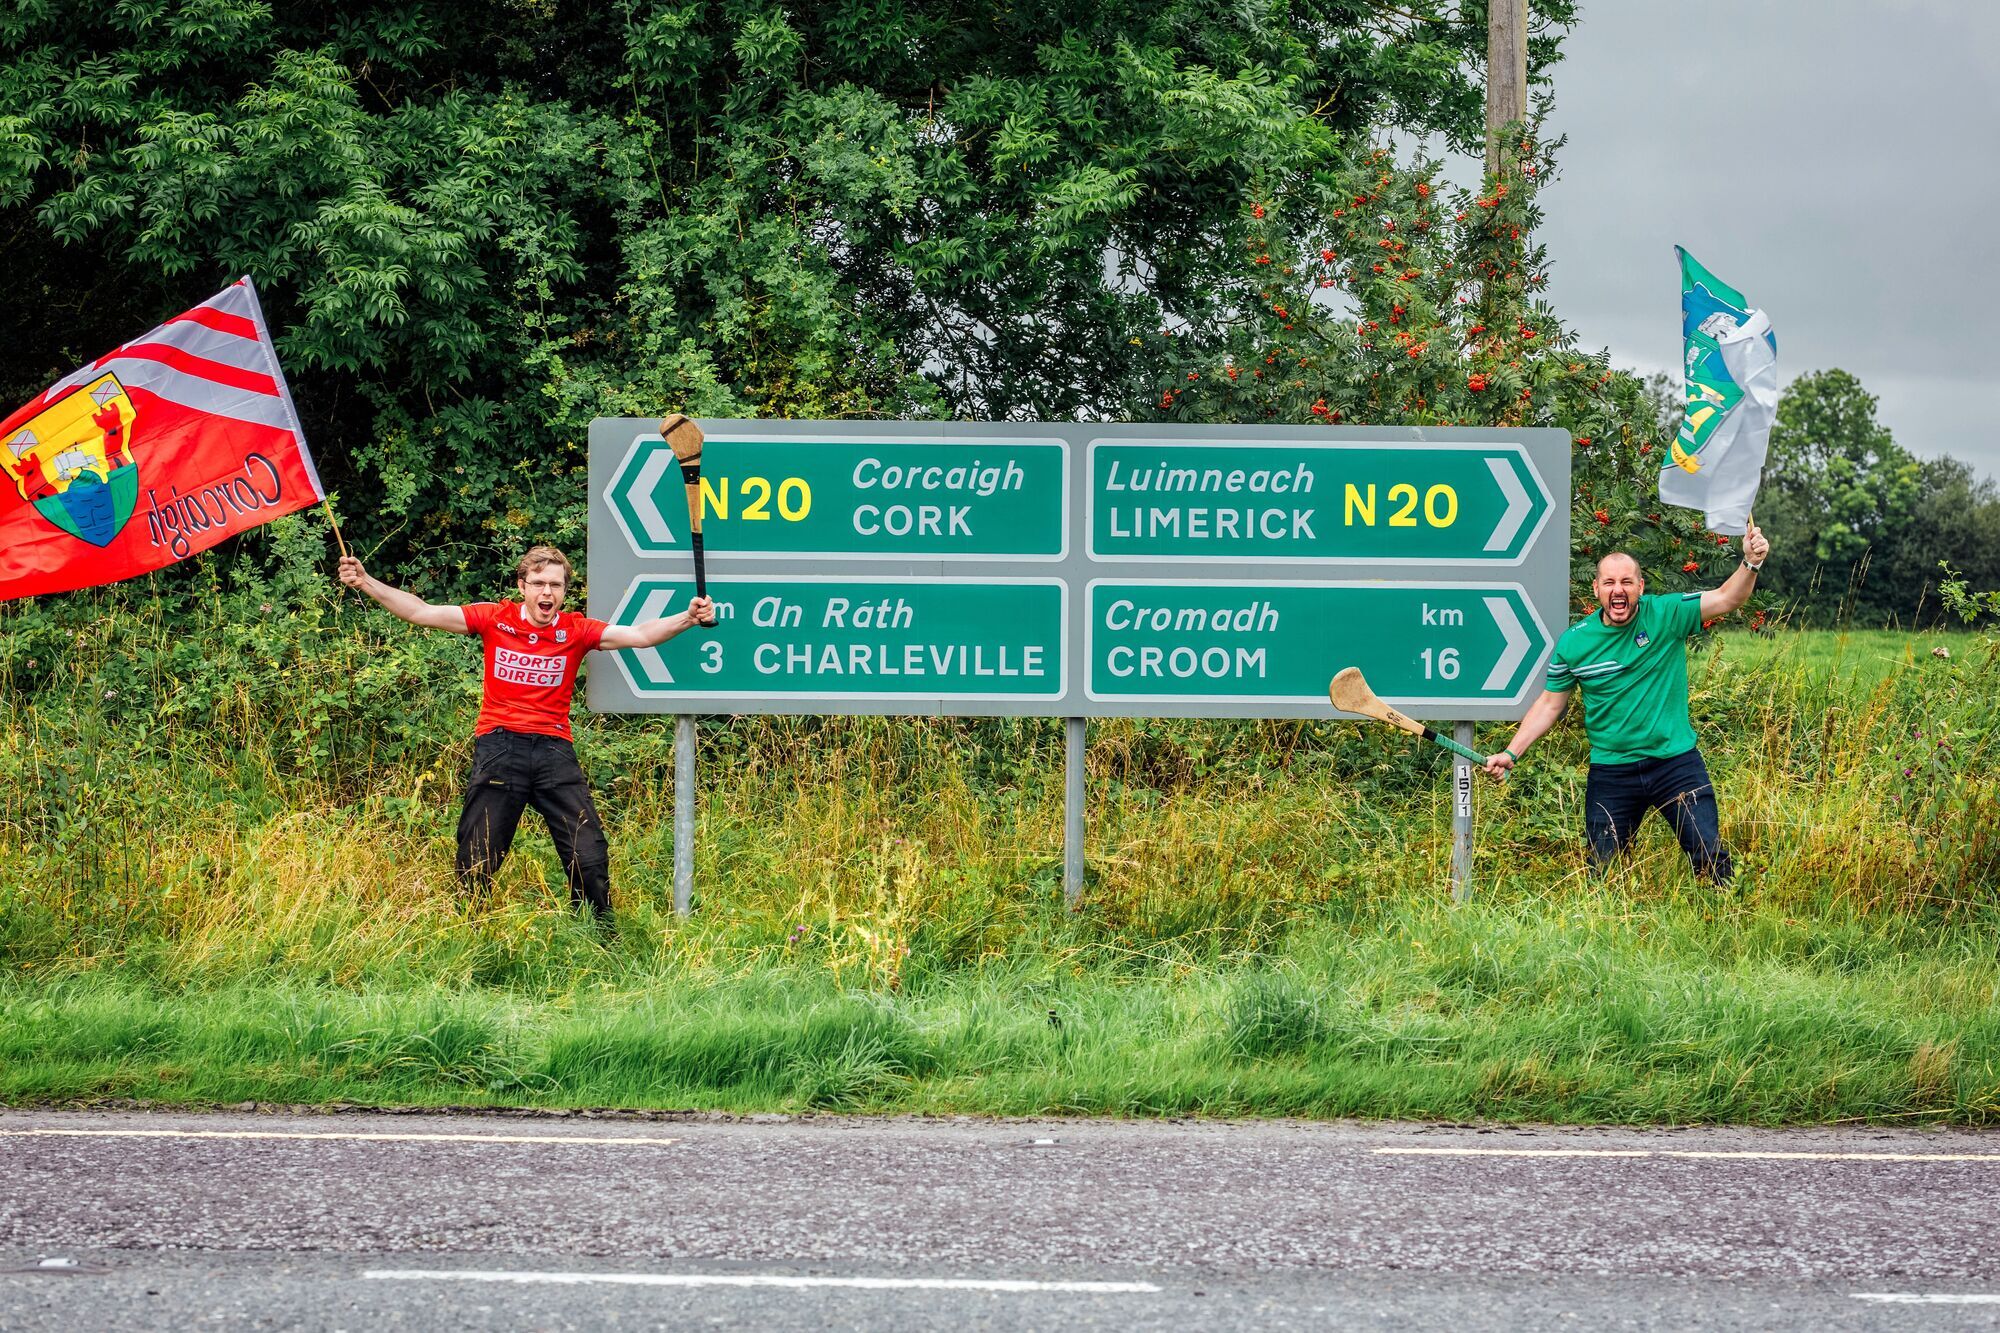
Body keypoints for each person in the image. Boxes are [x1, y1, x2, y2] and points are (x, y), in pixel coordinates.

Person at [337, 545, 713, 924]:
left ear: (565, 591)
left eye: (555, 585)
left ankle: (599, 936)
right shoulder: (493, 618)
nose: (546, 593)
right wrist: (366, 581)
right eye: (538, 584)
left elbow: (640, 635)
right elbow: (420, 611)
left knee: (589, 852)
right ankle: (471, 931)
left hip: (554, 751)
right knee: (478, 852)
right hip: (499, 748)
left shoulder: (576, 629)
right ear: (522, 585)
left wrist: (687, 618)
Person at [1482, 523, 1771, 881]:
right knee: (1602, 873)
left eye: (1626, 582)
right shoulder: (1575, 643)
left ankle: (1726, 916)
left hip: (1675, 763)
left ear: (1640, 587)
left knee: (1708, 854)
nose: (1618, 590)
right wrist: (1511, 753)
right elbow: (1549, 704)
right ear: (1597, 589)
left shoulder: (1667, 614)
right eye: (1609, 583)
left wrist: (1750, 563)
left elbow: (1728, 598)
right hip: (1612, 770)